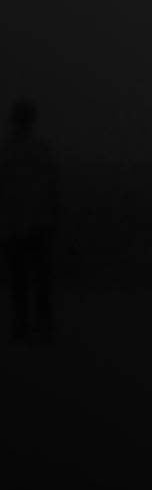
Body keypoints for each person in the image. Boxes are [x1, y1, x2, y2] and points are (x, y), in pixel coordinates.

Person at [3, 100, 58, 342]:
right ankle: (42, 322)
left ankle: (22, 322)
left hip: (15, 221)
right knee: (39, 274)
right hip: (38, 220)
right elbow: (51, 186)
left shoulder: (6, 150)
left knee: (19, 276)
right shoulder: (42, 149)